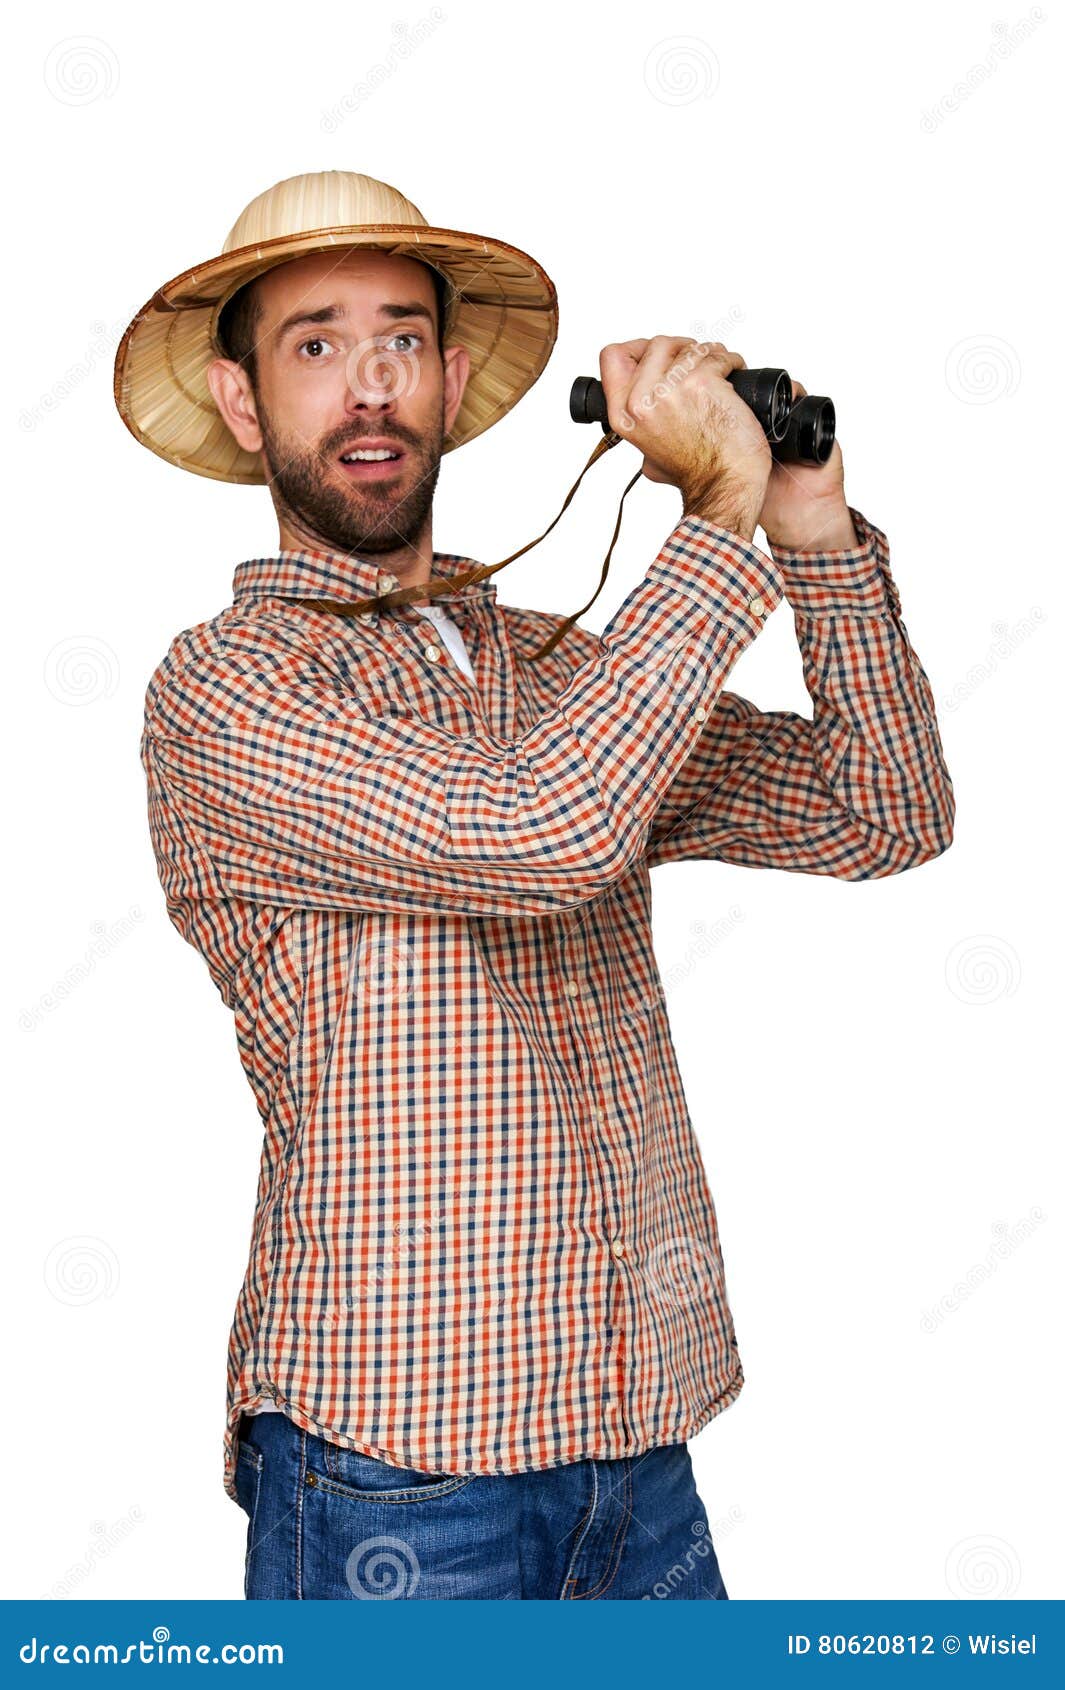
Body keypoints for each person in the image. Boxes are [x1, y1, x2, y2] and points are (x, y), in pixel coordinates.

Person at [117, 170, 955, 1600]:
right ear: (244, 403)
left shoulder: (566, 674)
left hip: (633, 1443)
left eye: (401, 340)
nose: (369, 384)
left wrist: (807, 523)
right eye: (316, 344)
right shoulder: (227, 688)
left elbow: (884, 811)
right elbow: (543, 828)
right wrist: (714, 512)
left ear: (452, 383)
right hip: (395, 1462)